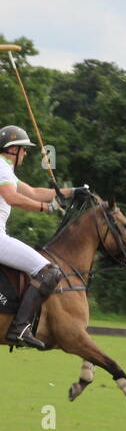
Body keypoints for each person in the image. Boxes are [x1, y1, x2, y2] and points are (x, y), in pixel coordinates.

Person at [0, 125, 73, 349]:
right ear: (13, 150)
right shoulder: (2, 168)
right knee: (49, 271)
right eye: (24, 149)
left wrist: (73, 192)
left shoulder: (6, 170)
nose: (26, 153)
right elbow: (12, 197)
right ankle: (20, 327)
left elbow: (31, 192)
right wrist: (46, 208)